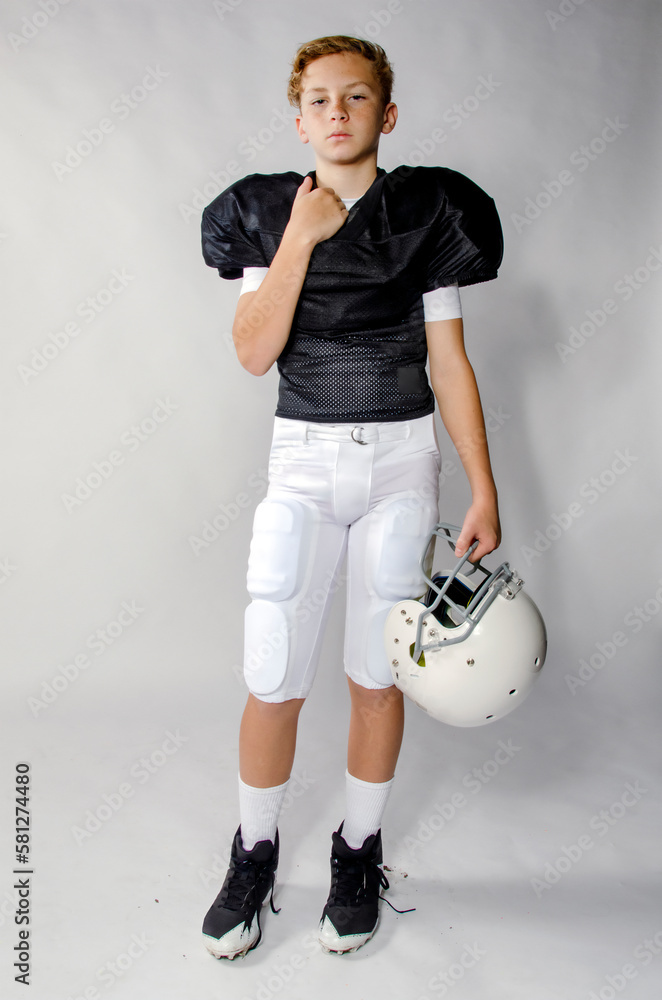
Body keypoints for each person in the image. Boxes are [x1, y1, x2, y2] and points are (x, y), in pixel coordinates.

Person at [199, 34, 503, 959]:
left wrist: (483, 485)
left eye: (357, 96)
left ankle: (358, 847)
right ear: (299, 118)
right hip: (302, 458)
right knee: (272, 665)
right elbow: (254, 350)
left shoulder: (426, 210)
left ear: (387, 114)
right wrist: (300, 234)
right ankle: (254, 851)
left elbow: (448, 360)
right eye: (320, 98)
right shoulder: (262, 212)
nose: (338, 111)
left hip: (402, 460)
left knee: (378, 672)